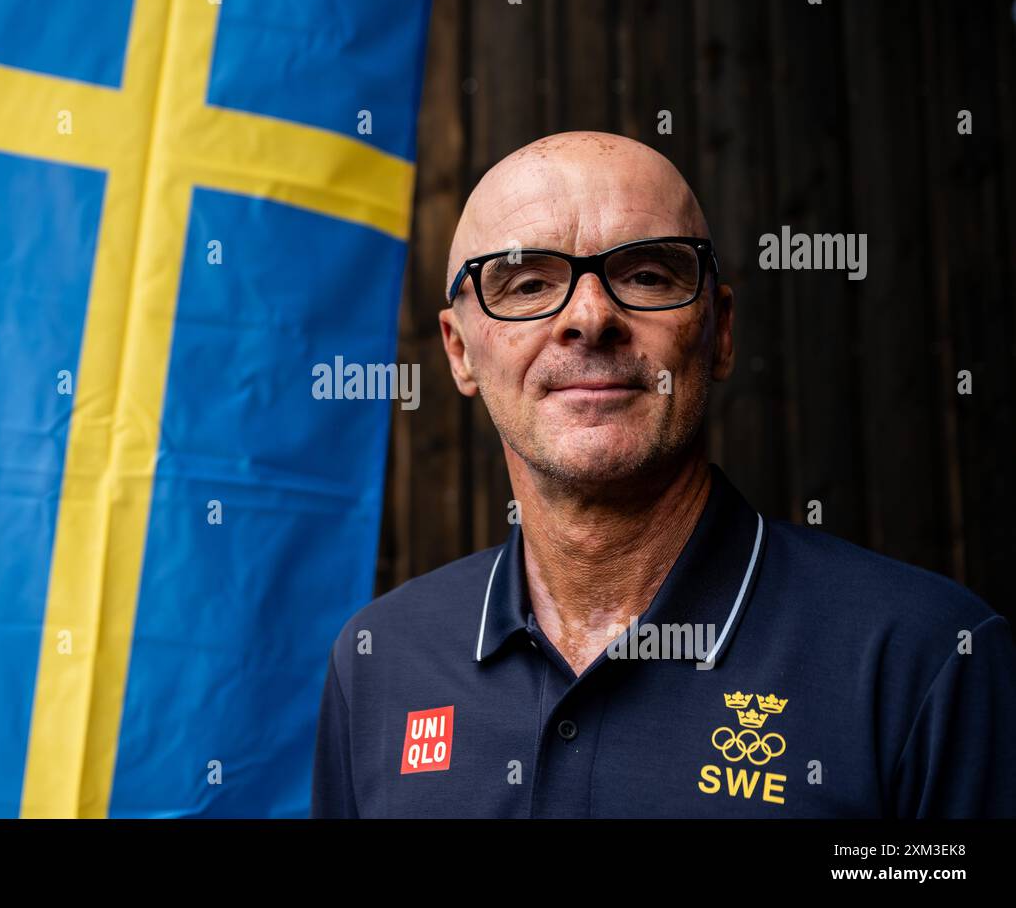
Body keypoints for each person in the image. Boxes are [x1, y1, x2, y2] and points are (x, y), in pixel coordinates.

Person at [310, 131, 1016, 818]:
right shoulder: (378, 663)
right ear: (460, 351)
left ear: (721, 331)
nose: (590, 318)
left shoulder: (927, 661)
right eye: (527, 283)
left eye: (647, 275)